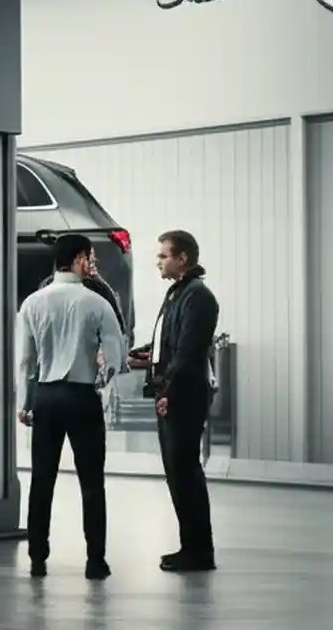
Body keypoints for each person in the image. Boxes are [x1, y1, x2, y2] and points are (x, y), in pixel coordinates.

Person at [16, 234, 126, 580]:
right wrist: (102, 379)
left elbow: (25, 362)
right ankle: (95, 560)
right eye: (89, 258)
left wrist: (24, 403)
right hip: (82, 397)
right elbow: (115, 356)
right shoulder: (97, 303)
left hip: (46, 398)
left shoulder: (32, 303)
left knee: (42, 480)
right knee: (92, 483)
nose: (91, 264)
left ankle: (37, 557)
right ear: (79, 258)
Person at [128, 229, 219, 572]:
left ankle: (199, 552)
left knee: (185, 472)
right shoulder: (179, 294)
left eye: (163, 256)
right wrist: (143, 356)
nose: (158, 262)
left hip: (184, 395)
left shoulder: (198, 297)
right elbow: (168, 342)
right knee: (177, 472)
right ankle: (190, 546)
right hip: (174, 392)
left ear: (182, 258)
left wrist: (168, 392)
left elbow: (188, 351)